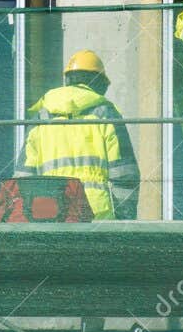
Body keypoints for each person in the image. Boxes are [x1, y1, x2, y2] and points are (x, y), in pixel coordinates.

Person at [16, 50, 139, 221]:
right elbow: (124, 175)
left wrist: (27, 220)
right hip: (98, 217)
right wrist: (125, 220)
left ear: (67, 80)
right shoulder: (106, 115)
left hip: (51, 214)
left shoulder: (41, 118)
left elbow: (23, 178)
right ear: (100, 83)